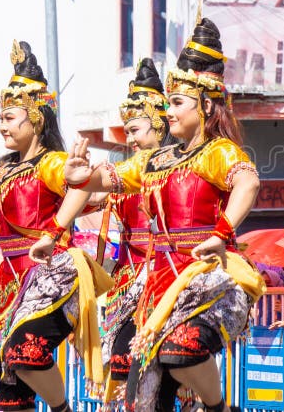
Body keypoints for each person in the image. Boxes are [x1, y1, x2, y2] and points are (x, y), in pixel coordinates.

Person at [31, 17, 264, 412]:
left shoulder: (217, 152)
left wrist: (220, 232)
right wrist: (69, 199)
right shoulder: (155, 161)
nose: (169, 111)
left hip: (206, 278)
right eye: (168, 103)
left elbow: (248, 184)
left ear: (205, 106)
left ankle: (220, 407)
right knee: (144, 400)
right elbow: (98, 181)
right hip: (156, 286)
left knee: (183, 350)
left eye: (176, 103)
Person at [0, 41, 113, 412]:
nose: (2, 126)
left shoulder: (52, 163)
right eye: (1, 118)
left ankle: (62, 410)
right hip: (11, 287)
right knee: (10, 394)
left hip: (51, 274)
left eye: (10, 118)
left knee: (23, 353)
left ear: (36, 118)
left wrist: (55, 226)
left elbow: (78, 186)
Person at [100, 58, 174, 409]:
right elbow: (93, 193)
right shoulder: (124, 174)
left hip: (168, 279)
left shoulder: (180, 169)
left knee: (165, 368)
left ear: (159, 126)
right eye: (126, 131)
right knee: (122, 361)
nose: (128, 139)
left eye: (135, 130)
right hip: (128, 285)